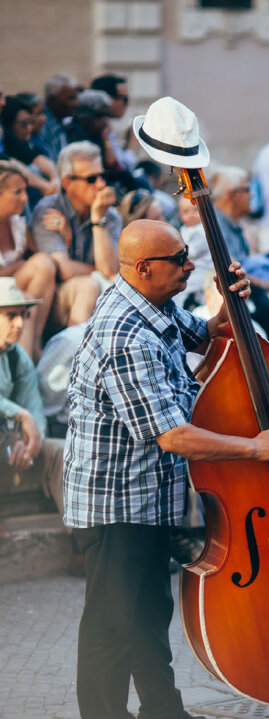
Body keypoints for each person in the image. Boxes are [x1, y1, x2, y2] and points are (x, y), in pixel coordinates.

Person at [64, 217, 269, 719]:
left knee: (149, 610)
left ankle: (161, 714)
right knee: (111, 620)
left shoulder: (155, 303)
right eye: (180, 259)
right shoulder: (126, 335)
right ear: (145, 268)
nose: (190, 265)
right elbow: (172, 435)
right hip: (113, 500)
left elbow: (208, 333)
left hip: (145, 495)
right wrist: (255, 447)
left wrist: (230, 306)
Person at [31, 140, 121, 328]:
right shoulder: (49, 209)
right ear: (67, 183)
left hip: (95, 292)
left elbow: (109, 270)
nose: (101, 184)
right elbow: (63, 269)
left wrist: (98, 218)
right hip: (53, 297)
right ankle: (77, 345)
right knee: (88, 285)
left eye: (102, 176)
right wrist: (98, 270)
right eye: (91, 179)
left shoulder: (109, 215)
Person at [0, 277, 63, 516]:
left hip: (5, 444)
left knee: (61, 453)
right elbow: (25, 413)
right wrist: (20, 414)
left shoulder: (16, 355)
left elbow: (34, 407)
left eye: (23, 315)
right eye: (10, 316)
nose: (19, 323)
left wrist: (31, 444)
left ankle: (80, 534)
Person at [0, 163, 56, 358]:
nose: (25, 198)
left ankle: (35, 341)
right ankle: (26, 355)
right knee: (24, 298)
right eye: (17, 192)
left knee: (43, 264)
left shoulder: (17, 223)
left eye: (25, 191)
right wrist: (19, 265)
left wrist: (65, 236)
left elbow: (38, 257)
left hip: (11, 286)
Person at [1, 95, 60, 199]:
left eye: (30, 122)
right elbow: (7, 162)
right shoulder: (5, 135)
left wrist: (55, 179)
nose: (30, 128)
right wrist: (45, 186)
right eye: (24, 124)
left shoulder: (26, 142)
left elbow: (34, 155)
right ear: (9, 125)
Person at [34, 74, 79, 163]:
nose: (76, 103)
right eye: (70, 98)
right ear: (52, 101)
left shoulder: (64, 122)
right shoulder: (43, 125)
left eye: (76, 98)